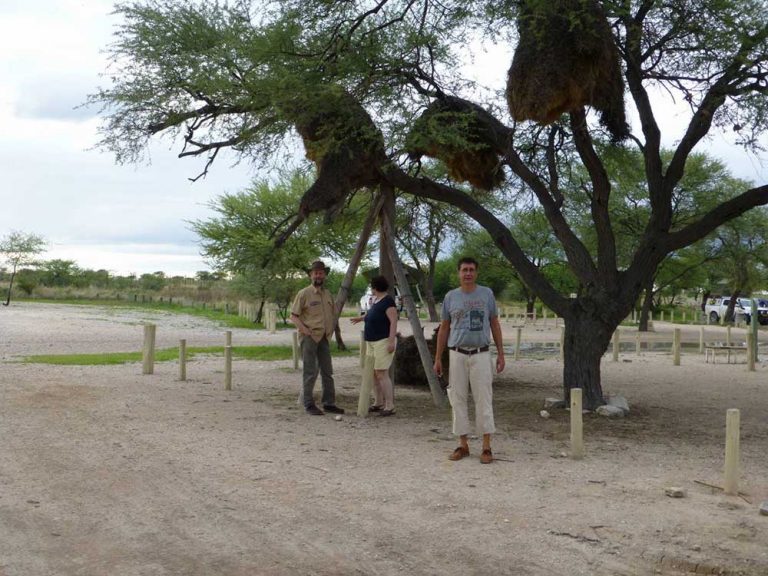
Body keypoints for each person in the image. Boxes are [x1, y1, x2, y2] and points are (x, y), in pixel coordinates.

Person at [433, 257, 505, 464]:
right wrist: (438, 358)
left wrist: (500, 353)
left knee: (483, 398)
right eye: (464, 269)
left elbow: (494, 323)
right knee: (457, 398)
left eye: (472, 269)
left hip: (481, 353)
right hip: (457, 353)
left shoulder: (486, 294)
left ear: (477, 272)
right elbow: (444, 327)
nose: (468, 273)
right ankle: (462, 444)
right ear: (458, 273)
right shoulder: (450, 297)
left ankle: (486, 446)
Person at [290, 260, 345, 416]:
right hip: (309, 338)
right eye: (315, 273)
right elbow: (294, 316)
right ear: (310, 275)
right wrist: (305, 331)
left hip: (324, 338)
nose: (318, 275)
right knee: (310, 371)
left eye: (321, 273)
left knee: (327, 371)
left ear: (325, 275)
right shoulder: (303, 294)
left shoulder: (327, 294)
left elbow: (333, 314)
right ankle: (308, 403)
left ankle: (329, 403)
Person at [351, 275, 398, 416]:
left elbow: (393, 321)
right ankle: (378, 402)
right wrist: (361, 318)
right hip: (370, 341)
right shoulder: (376, 300)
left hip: (382, 341)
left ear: (375, 287)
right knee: (372, 373)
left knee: (382, 373)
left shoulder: (388, 302)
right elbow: (372, 314)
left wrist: (391, 341)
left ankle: (390, 405)